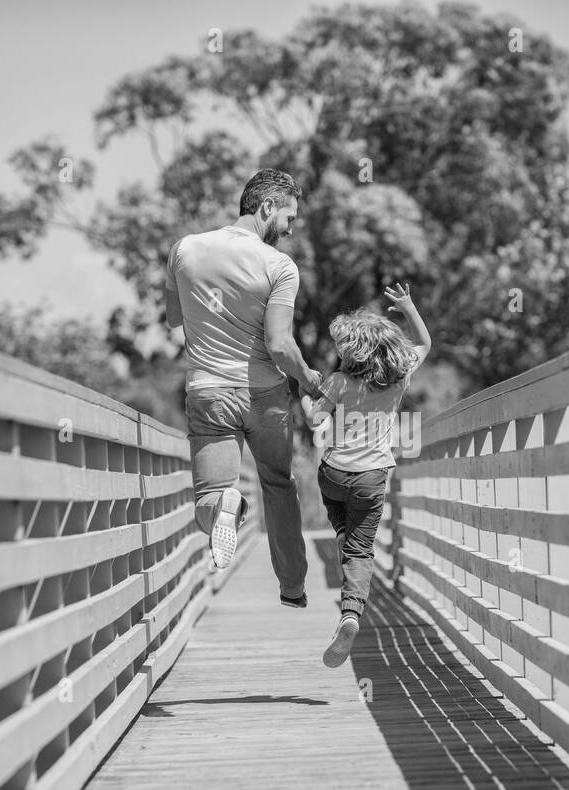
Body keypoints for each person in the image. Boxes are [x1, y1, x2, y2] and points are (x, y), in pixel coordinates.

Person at [164, 169, 322, 607]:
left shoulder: (184, 250)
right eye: (289, 218)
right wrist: (307, 377)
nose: (290, 230)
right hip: (266, 395)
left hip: (210, 391)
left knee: (207, 500)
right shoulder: (278, 266)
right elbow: (279, 345)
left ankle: (223, 507)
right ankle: (292, 587)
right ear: (267, 206)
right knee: (278, 483)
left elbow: (175, 320)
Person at [301, 282, 431, 667]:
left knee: (330, 493)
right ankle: (351, 613)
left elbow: (313, 419)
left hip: (336, 474)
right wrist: (408, 307)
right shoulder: (399, 378)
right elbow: (424, 344)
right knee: (361, 550)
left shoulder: (340, 382)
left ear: (350, 351)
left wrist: (306, 394)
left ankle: (339, 529)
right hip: (373, 478)